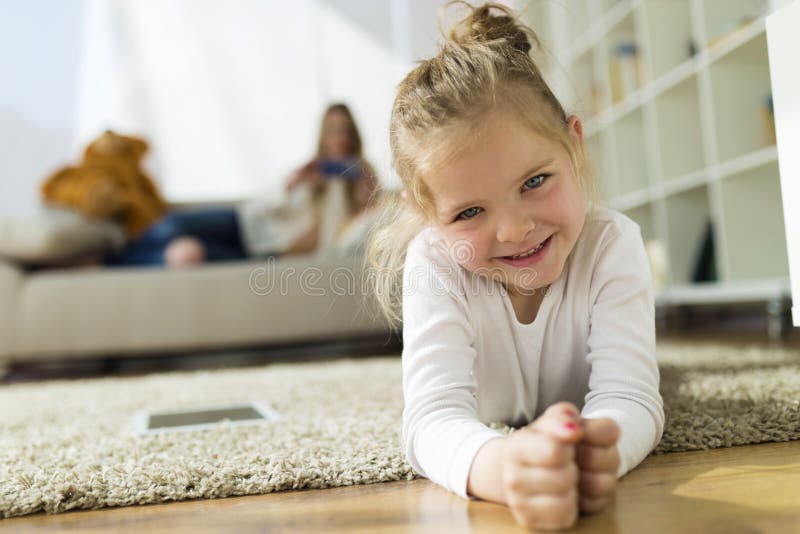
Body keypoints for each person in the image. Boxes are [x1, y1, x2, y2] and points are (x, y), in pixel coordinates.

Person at [366, 3, 663, 531]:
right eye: (470, 212)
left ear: (574, 143)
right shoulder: (435, 264)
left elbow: (631, 395)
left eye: (534, 182)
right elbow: (432, 421)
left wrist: (600, 453)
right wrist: (501, 466)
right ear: (429, 219)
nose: (514, 231)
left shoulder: (613, 244)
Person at [108, 103, 378, 267]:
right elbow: (265, 205)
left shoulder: (364, 179)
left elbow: (349, 237)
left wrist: (365, 199)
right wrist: (293, 184)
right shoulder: (311, 173)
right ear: (323, 136)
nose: (340, 137)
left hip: (260, 254)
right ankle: (113, 251)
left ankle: (112, 264)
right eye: (333, 129)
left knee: (186, 254)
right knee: (172, 225)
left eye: (345, 130)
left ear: (354, 135)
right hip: (245, 223)